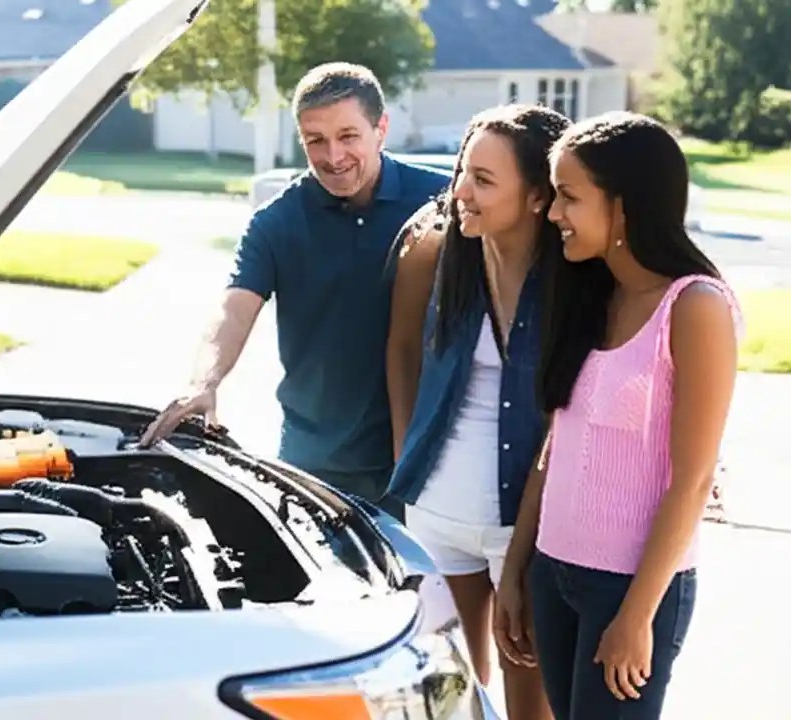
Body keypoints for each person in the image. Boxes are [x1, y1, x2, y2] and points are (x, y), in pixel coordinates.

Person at [495, 111, 742, 720]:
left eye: (570, 197)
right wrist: (517, 568)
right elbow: (555, 443)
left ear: (624, 206)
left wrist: (636, 616)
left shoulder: (695, 306)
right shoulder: (590, 293)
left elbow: (693, 480)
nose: (554, 213)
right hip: (553, 572)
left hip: (630, 588)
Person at [138, 62, 448, 520]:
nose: (333, 156)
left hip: (425, 460)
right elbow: (234, 308)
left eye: (348, 136)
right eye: (315, 140)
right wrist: (204, 383)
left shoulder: (440, 200)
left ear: (381, 129)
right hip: (315, 465)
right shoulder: (276, 222)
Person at [384, 104, 567, 720]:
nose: (460, 190)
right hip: (437, 513)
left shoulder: (577, 273)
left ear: (538, 196)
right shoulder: (435, 247)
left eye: (484, 180)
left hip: (531, 524)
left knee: (529, 703)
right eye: (463, 170)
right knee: (452, 700)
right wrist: (407, 450)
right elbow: (402, 347)